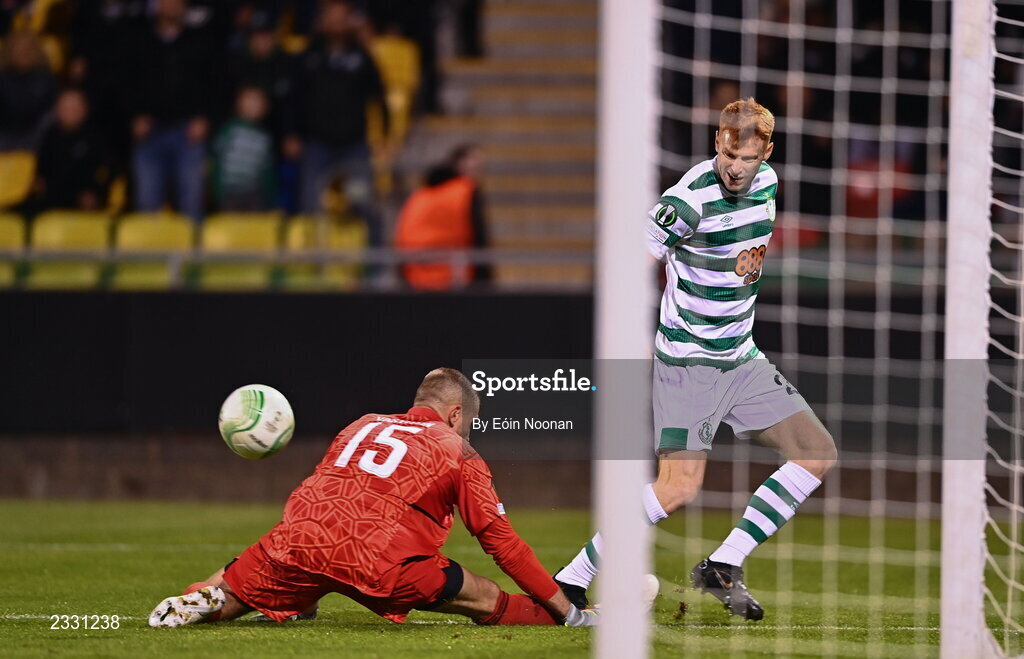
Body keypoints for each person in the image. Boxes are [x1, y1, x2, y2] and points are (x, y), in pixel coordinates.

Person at [553, 98, 837, 620]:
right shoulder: (687, 201)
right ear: (717, 142)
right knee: (679, 488)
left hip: (743, 357)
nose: (735, 167)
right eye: (728, 154)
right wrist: (636, 337)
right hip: (689, 364)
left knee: (816, 453)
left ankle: (722, 566)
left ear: (766, 153)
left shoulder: (770, 185)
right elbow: (625, 266)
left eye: (747, 158)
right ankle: (572, 578)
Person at [148, 368, 600, 628]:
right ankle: (579, 618)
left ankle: (205, 596)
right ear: (456, 414)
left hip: (301, 543)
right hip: (382, 563)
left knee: (235, 589)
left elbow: (333, 492)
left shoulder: (361, 424)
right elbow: (501, 542)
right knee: (483, 596)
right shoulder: (458, 449)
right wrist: (562, 607)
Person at [289, 0, 386, 246]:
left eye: (341, 17)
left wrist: (385, 135)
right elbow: (293, 99)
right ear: (321, 21)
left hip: (353, 148)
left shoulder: (361, 57)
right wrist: (292, 133)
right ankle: (310, 270)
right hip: (317, 147)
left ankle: (373, 270)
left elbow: (379, 96)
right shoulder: (309, 56)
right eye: (330, 17)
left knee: (362, 203)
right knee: (309, 206)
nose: (336, 22)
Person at [127, 0, 216, 221]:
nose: (171, 5)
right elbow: (125, 85)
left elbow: (215, 85)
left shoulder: (200, 41)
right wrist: (134, 116)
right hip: (150, 133)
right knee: (147, 204)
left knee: (191, 205)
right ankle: (147, 255)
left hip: (188, 133)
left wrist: (205, 118)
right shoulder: (140, 41)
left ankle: (192, 257)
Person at [394, 145, 490, 290]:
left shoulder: (418, 195)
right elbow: (479, 238)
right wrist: (485, 284)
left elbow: (401, 237)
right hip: (455, 280)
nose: (479, 172)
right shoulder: (466, 192)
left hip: (415, 279)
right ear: (459, 164)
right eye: (476, 165)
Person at [31, 88, 112, 212]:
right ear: (56, 110)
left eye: (75, 107)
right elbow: (41, 170)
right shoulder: (50, 135)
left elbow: (107, 172)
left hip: (83, 203)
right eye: (65, 107)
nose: (70, 112)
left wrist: (96, 194)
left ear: (85, 109)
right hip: (50, 201)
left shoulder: (96, 138)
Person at [210, 86, 277, 212]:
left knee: (256, 227)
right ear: (239, 102)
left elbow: (268, 171)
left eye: (258, 101)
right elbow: (218, 162)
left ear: (266, 106)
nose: (253, 105)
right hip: (230, 192)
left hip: (254, 193)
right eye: (249, 100)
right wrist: (218, 192)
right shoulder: (229, 130)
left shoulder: (265, 137)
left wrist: (271, 199)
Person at [0, 32, 58, 151]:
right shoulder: (2, 79)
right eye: (18, 49)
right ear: (9, 53)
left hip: (36, 136)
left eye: (28, 49)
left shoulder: (47, 79)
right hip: (5, 134)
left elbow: (52, 113)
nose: (23, 53)